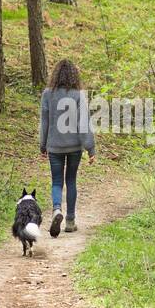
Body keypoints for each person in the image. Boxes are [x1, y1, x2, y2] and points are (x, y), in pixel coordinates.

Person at [38, 59, 94, 235]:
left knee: (56, 181)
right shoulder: (78, 95)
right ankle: (70, 221)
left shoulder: (48, 94)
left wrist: (43, 145)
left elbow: (44, 122)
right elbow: (84, 123)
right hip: (74, 147)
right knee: (71, 181)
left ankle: (56, 209)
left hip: (54, 146)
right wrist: (90, 148)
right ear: (73, 76)